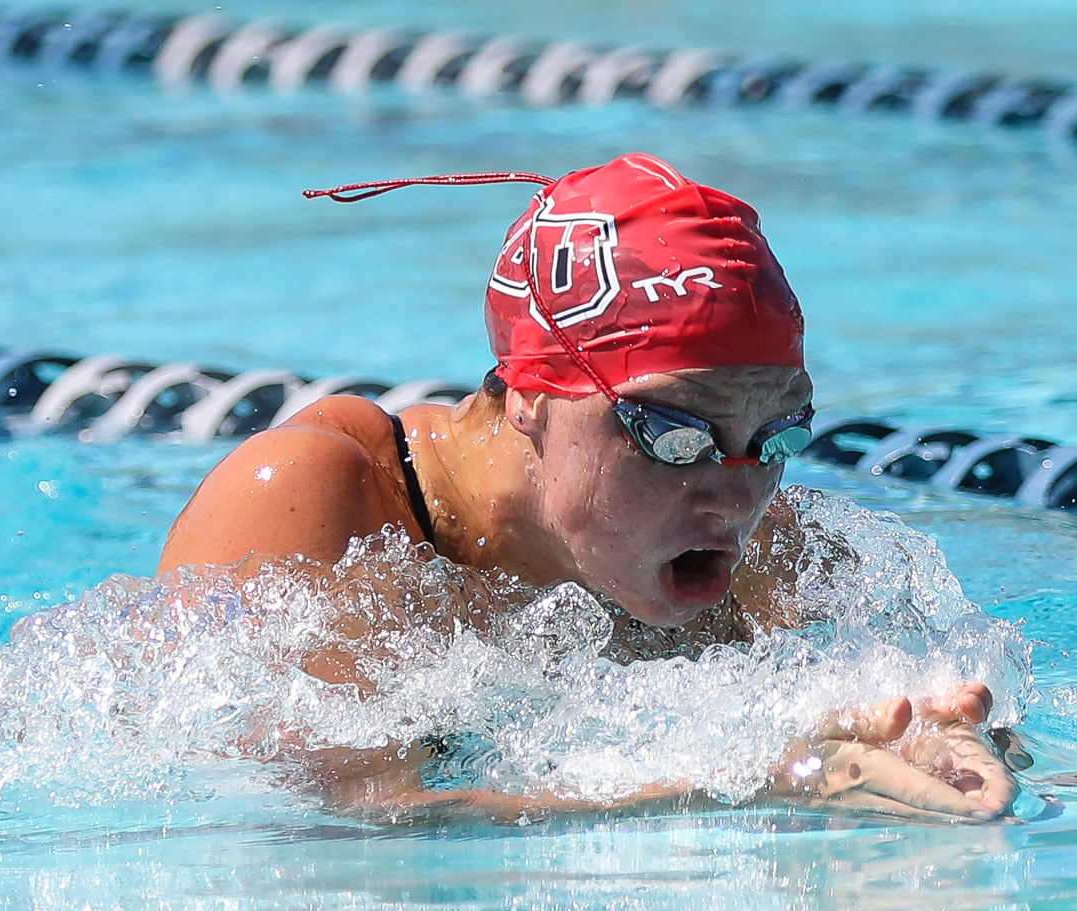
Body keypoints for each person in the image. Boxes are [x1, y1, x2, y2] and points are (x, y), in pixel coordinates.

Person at [159, 153, 1017, 822]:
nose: (734, 498)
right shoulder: (321, 499)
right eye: (670, 434)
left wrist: (944, 739)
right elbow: (337, 825)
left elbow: (893, 714)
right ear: (532, 397)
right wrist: (773, 783)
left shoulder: (755, 546)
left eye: (774, 435)